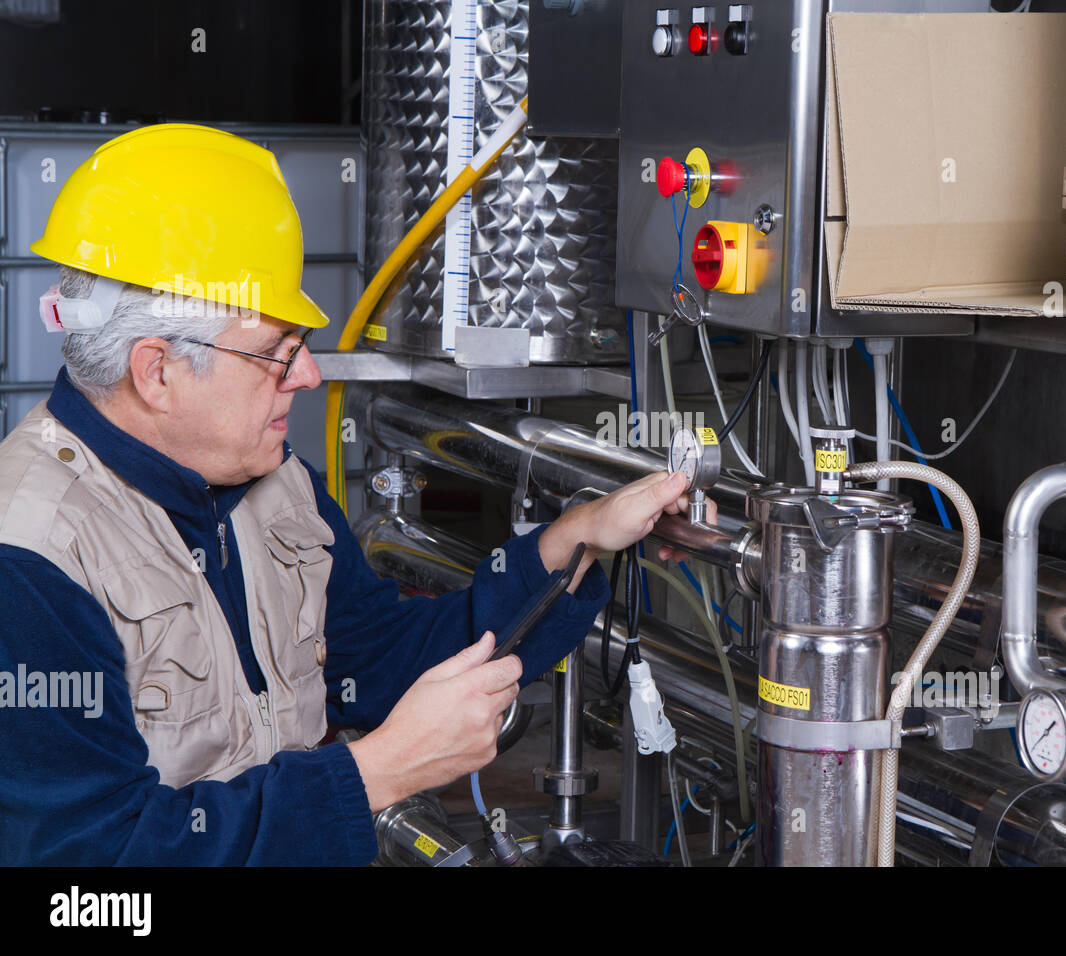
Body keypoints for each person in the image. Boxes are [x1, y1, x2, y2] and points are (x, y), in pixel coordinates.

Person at [0, 123, 691, 864]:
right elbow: (91, 878)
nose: (309, 377)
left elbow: (381, 662)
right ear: (157, 371)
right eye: (276, 353)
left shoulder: (270, 485)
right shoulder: (32, 558)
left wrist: (574, 541)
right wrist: (377, 773)